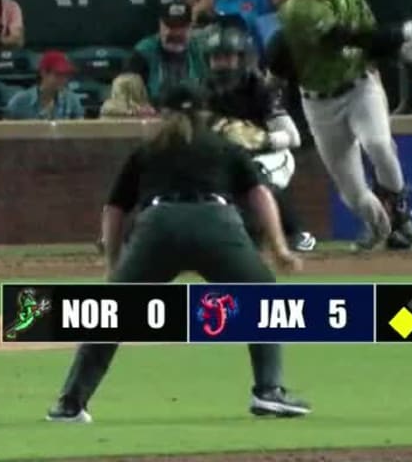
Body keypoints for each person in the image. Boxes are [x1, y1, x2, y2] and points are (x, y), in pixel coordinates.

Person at [45, 85, 309, 424]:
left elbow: (114, 210)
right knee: (262, 298)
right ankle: (269, 391)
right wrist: (280, 248)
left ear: (161, 113)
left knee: (111, 313)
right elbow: (260, 196)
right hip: (217, 224)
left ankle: (71, 403)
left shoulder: (147, 150)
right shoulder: (223, 146)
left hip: (158, 226)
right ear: (204, 114)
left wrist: (114, 263)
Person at [271, 0, 412, 252]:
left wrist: (405, 50)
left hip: (360, 86)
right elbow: (341, 37)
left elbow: (368, 38)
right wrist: (403, 32)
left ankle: (402, 218)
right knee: (353, 191)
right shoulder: (295, 10)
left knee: (379, 144)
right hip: (320, 103)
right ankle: (379, 227)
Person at [204, 24, 315, 253]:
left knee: (255, 173)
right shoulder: (205, 91)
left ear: (241, 58)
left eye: (227, 57)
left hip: (272, 155)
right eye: (216, 58)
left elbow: (293, 138)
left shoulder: (260, 88)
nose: (221, 64)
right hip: (227, 157)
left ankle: (296, 233)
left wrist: (259, 139)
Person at [122, 1, 208, 101]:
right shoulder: (143, 53)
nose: (176, 33)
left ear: (191, 27)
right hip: (152, 112)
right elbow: (126, 92)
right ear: (160, 25)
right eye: (171, 26)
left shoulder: (200, 51)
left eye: (182, 27)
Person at [4, 50, 84, 121]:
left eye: (65, 75)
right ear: (43, 73)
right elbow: (5, 131)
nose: (63, 80)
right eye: (58, 74)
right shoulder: (20, 101)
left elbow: (80, 131)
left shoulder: (72, 100)